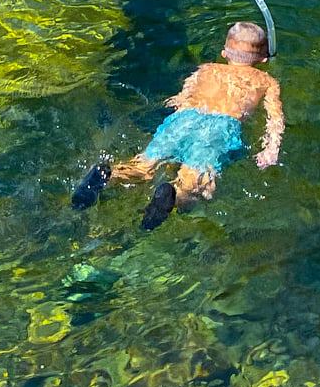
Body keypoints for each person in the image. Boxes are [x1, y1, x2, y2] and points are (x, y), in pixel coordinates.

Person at [72, 21, 283, 230]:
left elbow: (183, 95)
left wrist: (178, 105)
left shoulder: (207, 69)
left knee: (144, 164)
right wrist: (270, 148)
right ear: (264, 59)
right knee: (195, 182)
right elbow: (275, 118)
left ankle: (110, 175)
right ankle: (172, 197)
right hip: (220, 126)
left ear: (224, 53)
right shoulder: (266, 81)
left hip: (185, 118)